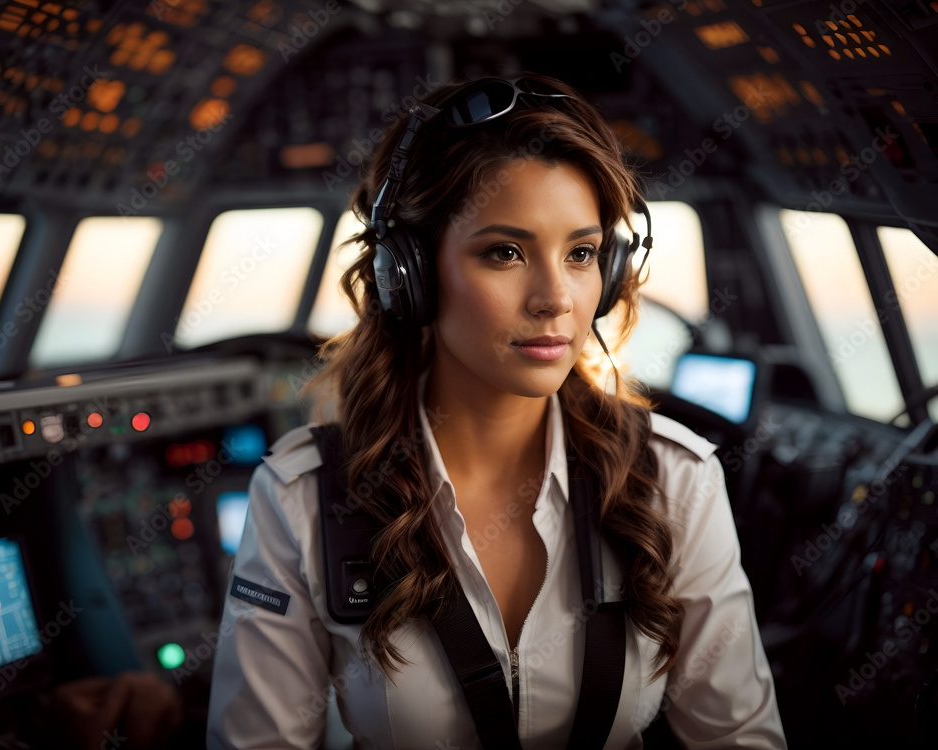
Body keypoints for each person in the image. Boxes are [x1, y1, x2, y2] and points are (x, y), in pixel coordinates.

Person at [206, 73, 787, 749]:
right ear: (410, 275)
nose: (555, 298)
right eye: (504, 252)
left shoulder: (675, 478)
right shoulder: (302, 497)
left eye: (581, 254)